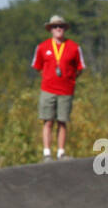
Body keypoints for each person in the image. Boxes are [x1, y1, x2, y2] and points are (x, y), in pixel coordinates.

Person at [31, 15, 86, 161]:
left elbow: (80, 68)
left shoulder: (74, 47)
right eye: (55, 26)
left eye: (61, 26)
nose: (58, 29)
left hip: (66, 91)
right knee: (48, 121)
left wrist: (70, 79)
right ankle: (47, 153)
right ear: (50, 29)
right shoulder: (42, 47)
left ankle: (61, 152)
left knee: (62, 121)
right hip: (48, 90)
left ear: (64, 29)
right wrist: (48, 77)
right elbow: (37, 66)